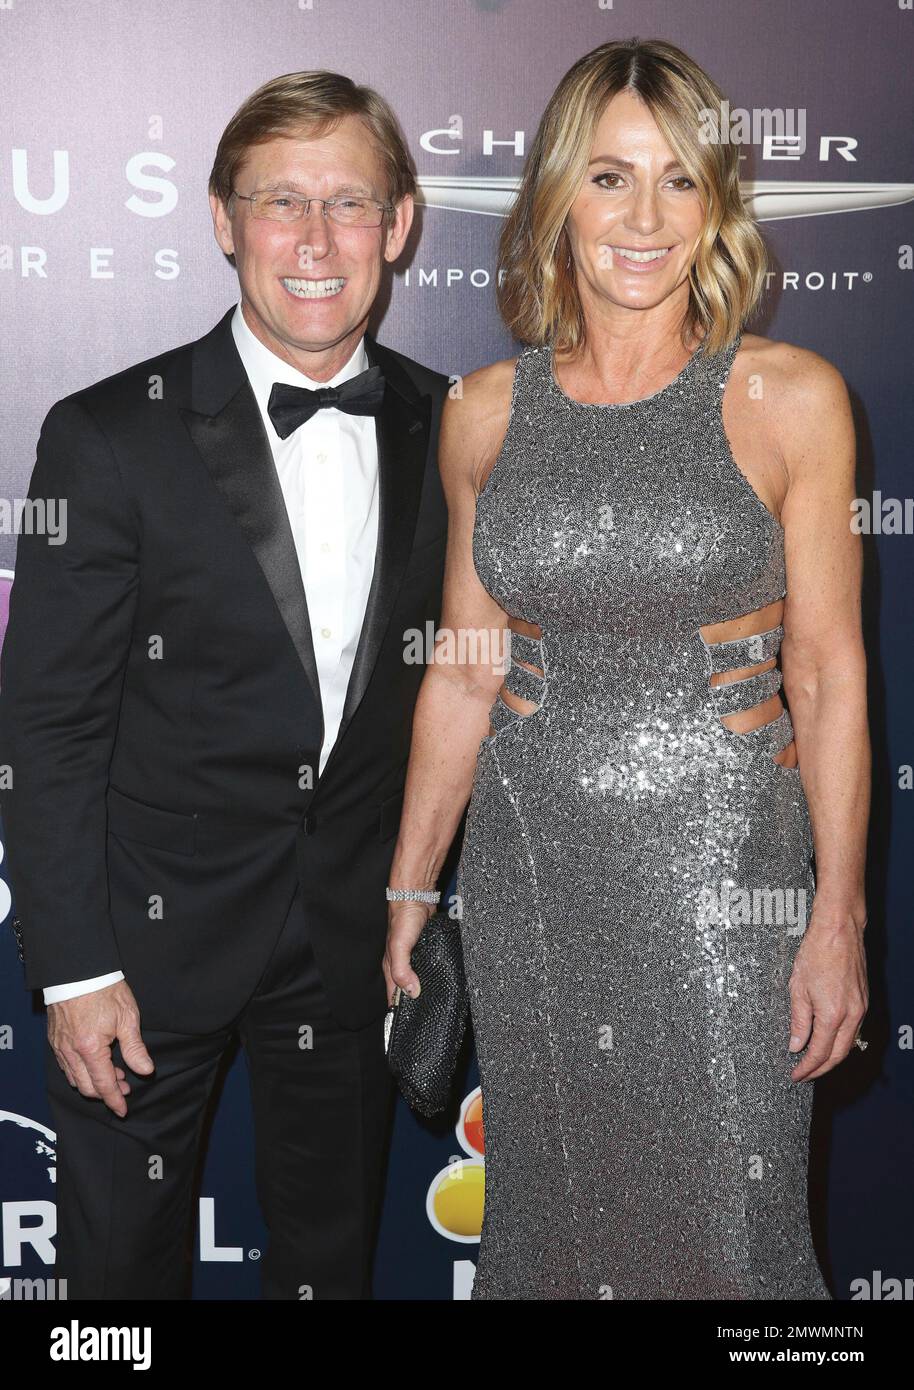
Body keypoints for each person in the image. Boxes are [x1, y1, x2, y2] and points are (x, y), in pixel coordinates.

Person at [385, 38, 869, 1299]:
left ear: (715, 203)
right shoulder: (483, 410)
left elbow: (822, 674)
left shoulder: (788, 397)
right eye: (607, 178)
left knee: (733, 1233)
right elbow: (463, 666)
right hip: (533, 878)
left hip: (728, 888)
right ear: (556, 196)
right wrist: (409, 885)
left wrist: (835, 914)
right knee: (552, 1229)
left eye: (675, 180)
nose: (642, 217)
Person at [0, 70, 449, 1300]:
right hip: (144, 950)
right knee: (119, 1290)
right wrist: (75, 971)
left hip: (358, 945)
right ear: (220, 219)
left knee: (328, 1266)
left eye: (349, 203)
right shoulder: (107, 435)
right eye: (279, 203)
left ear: (399, 225)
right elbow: (43, 727)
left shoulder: (449, 425)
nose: (314, 242)